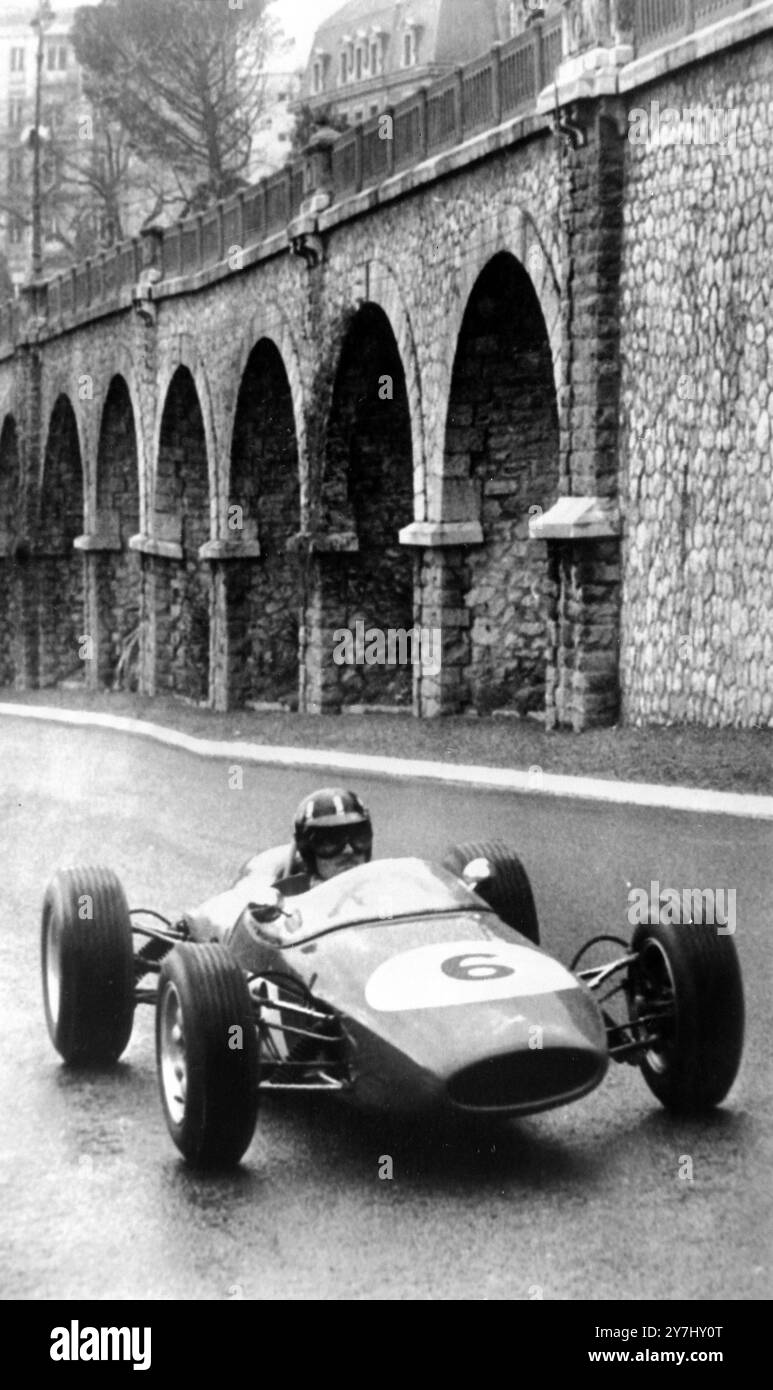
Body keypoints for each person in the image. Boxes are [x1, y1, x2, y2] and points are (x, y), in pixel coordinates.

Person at [238, 787, 373, 896]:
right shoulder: (287, 901)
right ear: (308, 851)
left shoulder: (385, 889)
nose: (348, 850)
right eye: (331, 841)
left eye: (359, 838)